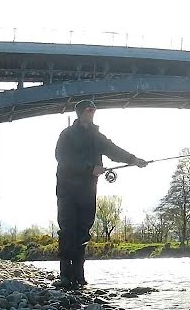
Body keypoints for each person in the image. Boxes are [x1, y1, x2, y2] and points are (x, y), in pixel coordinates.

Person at [54, 100, 147, 289]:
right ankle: (65, 274)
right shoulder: (67, 135)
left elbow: (113, 150)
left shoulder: (97, 136)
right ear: (80, 113)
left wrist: (134, 160)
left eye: (94, 110)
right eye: (89, 110)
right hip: (67, 189)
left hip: (88, 190)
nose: (92, 112)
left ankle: (79, 276)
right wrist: (90, 168)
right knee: (67, 230)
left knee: (83, 231)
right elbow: (62, 159)